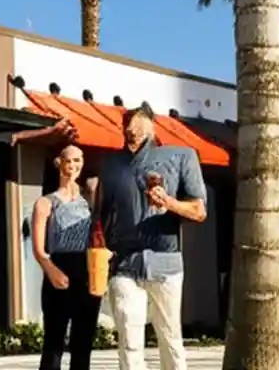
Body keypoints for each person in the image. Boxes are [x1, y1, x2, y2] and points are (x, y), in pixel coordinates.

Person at [88, 102, 207, 370]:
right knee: (129, 343)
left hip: (166, 263)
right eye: (128, 128)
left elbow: (199, 211)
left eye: (138, 127)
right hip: (125, 265)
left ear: (152, 126)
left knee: (170, 339)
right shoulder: (111, 165)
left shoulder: (181, 157)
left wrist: (169, 203)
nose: (132, 133)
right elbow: (102, 215)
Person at [31, 142, 102, 370]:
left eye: (78, 160)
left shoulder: (90, 200)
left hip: (86, 269)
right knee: (54, 341)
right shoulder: (45, 202)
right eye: (68, 160)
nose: (73, 165)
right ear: (59, 163)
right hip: (58, 266)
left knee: (83, 342)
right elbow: (39, 249)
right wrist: (51, 270)